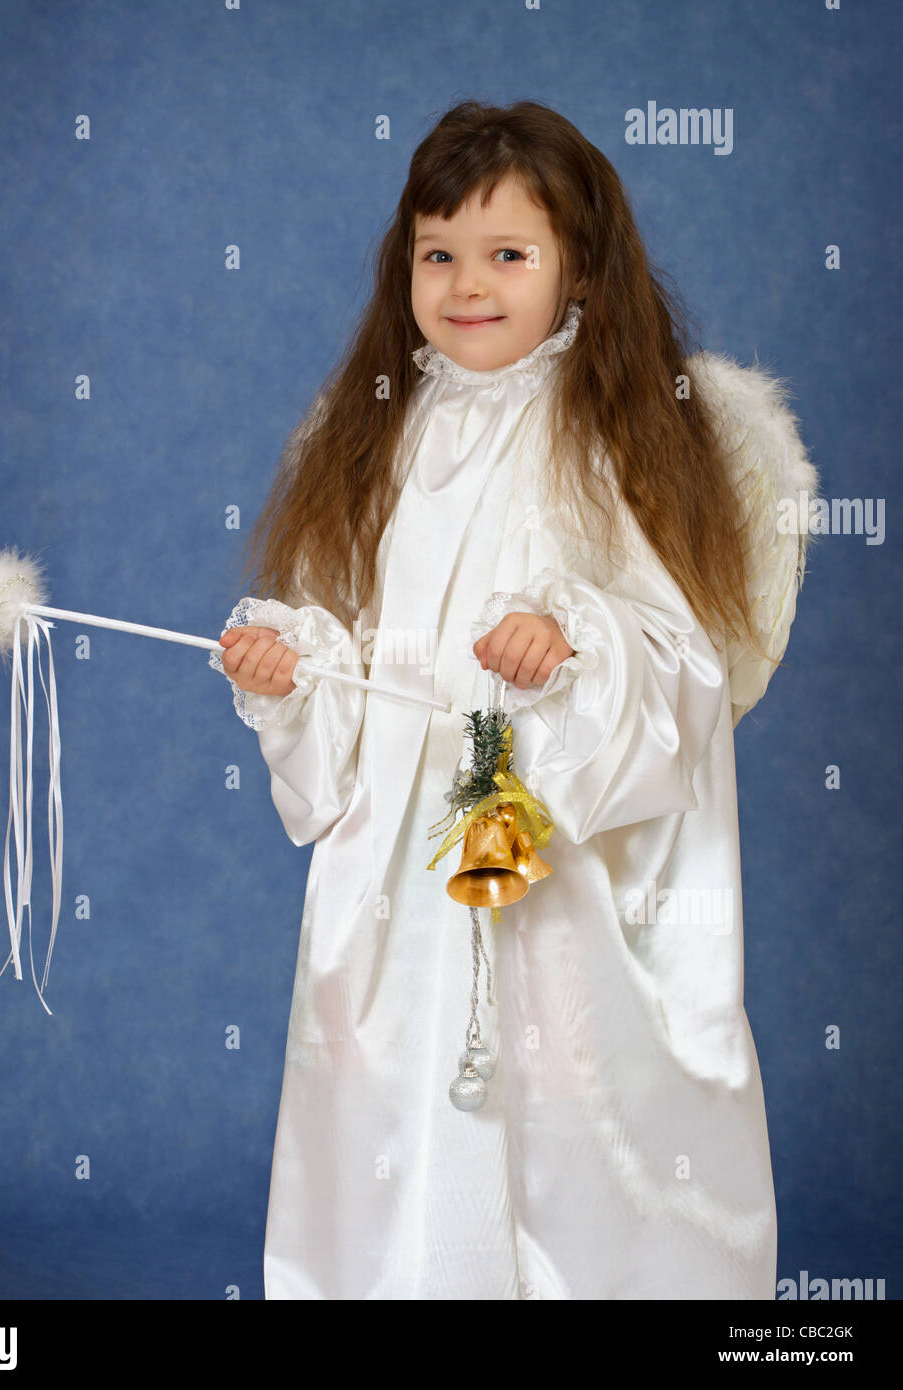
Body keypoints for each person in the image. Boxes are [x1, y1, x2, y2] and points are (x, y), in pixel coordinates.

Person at [208, 99, 819, 1300]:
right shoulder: (373, 436)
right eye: (437, 253)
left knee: (551, 1116)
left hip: (545, 861)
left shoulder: (607, 435)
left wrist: (571, 641)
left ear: (576, 267)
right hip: (398, 865)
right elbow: (348, 643)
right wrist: (290, 668)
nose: (466, 282)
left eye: (507, 254)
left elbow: (681, 661)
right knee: (399, 1103)